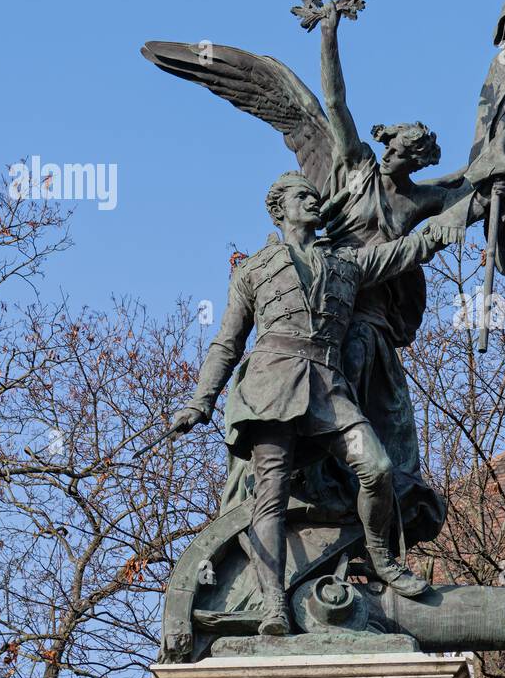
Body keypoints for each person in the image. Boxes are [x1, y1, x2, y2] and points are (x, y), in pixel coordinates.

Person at [170, 171, 467, 635]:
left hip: (327, 385)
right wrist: (199, 400)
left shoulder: (347, 262)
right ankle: (273, 606)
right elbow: (227, 343)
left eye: (314, 196)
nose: (312, 202)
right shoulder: (253, 269)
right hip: (269, 386)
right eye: (301, 196)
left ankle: (383, 558)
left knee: (377, 469)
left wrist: (456, 217)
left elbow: (407, 249)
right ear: (279, 209)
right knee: (268, 501)